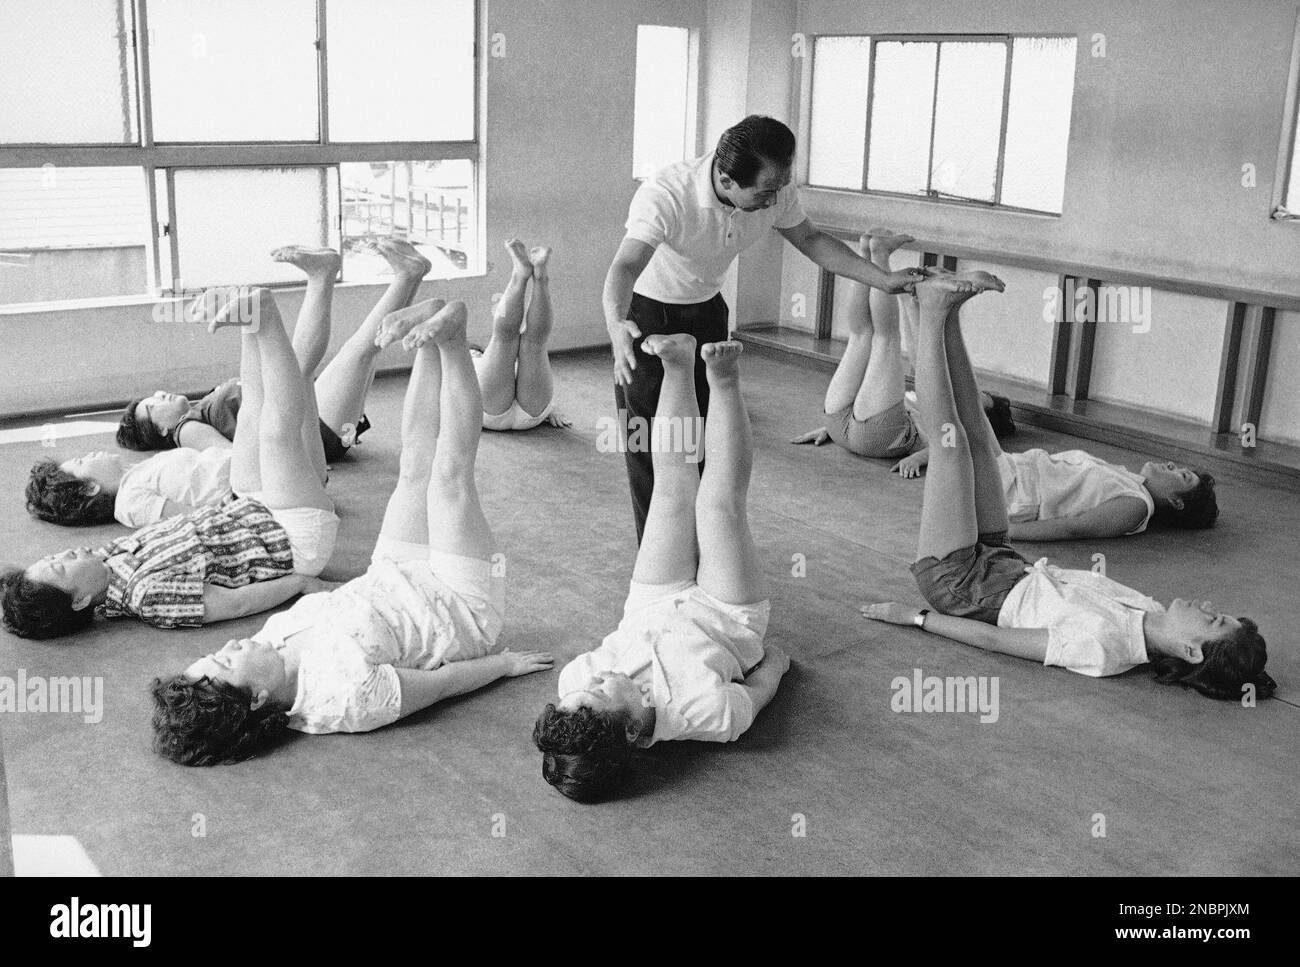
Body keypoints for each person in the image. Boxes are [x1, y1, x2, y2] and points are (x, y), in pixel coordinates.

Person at [150, 299, 552, 765]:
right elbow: (441, 685)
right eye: (225, 661)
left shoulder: (271, 642)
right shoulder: (345, 701)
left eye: (215, 652)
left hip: (393, 575)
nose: (230, 644)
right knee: (449, 477)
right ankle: (454, 338)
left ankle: (428, 340)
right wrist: (503, 665)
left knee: (415, 465)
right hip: (460, 606)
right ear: (257, 697)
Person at [862, 272, 1273, 701]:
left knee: (951, 446)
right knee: (981, 442)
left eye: (1213, 621)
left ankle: (929, 312)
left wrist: (915, 617)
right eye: (1219, 614)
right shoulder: (1149, 611)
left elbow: (998, 642)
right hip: (1005, 561)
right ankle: (948, 315)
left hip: (961, 586)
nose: (1208, 608)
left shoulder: (1104, 650)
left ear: (1190, 650)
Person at [603, 115, 922, 541]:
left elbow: (811, 241)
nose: (775, 201)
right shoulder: (666, 194)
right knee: (649, 439)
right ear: (726, 177)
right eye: (765, 192)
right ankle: (657, 554)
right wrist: (615, 324)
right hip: (644, 316)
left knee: (704, 433)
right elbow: (625, 266)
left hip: (707, 313)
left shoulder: (776, 190)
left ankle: (702, 543)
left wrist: (882, 280)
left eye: (780, 187)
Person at [533, 336, 790, 802]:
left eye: (578, 693)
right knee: (717, 505)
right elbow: (765, 684)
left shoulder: (574, 687)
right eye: (601, 693)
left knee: (671, 488)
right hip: (725, 616)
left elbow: (587, 688)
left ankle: (677, 365)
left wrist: (590, 694)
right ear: (633, 732)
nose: (591, 680)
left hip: (651, 603)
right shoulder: (709, 716)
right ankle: (725, 381)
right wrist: (774, 660)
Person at [1, 287, 339, 640]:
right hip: (292, 540)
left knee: (254, 414)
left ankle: (251, 322)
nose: (66, 552)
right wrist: (300, 583)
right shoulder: (146, 595)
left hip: (251, 508)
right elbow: (235, 603)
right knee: (276, 433)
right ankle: (267, 319)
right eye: (61, 566)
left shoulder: (111, 555)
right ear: (80, 600)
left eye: (54, 556)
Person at [116, 239, 434, 462]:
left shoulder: (201, 411)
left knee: (367, 347)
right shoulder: (187, 430)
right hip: (322, 434)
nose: (160, 394)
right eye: (153, 405)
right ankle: (326, 276)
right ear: (159, 428)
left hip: (330, 429)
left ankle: (408, 274)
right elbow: (231, 460)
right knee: (354, 351)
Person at [791, 228, 1014, 460]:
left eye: (984, 398)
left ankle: (877, 254)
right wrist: (833, 431)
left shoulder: (965, 417)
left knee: (880, 339)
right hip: (843, 424)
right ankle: (869, 252)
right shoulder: (937, 399)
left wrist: (921, 456)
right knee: (862, 337)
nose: (977, 394)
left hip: (877, 435)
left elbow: (954, 445)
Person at [381, 238, 570, 431]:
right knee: (529, 343)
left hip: (498, 411)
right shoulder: (462, 361)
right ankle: (538, 276)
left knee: (513, 340)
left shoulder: (454, 365)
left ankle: (525, 276)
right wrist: (552, 409)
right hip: (532, 411)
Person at [25, 447, 233, 529]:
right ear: (89, 488)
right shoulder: (129, 503)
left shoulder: (140, 470)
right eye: (81, 461)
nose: (90, 454)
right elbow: (199, 519)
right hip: (241, 489)